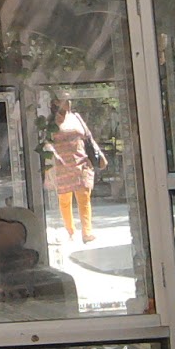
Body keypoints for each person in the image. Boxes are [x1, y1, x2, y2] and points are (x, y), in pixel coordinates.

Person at [46, 92, 105, 243]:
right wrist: (52, 158)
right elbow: (46, 142)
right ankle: (70, 231)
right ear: (56, 103)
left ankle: (87, 232)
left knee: (84, 196)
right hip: (61, 165)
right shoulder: (51, 122)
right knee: (65, 199)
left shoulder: (76, 117)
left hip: (81, 162)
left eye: (69, 99)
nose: (68, 102)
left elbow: (88, 137)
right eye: (64, 100)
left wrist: (100, 155)